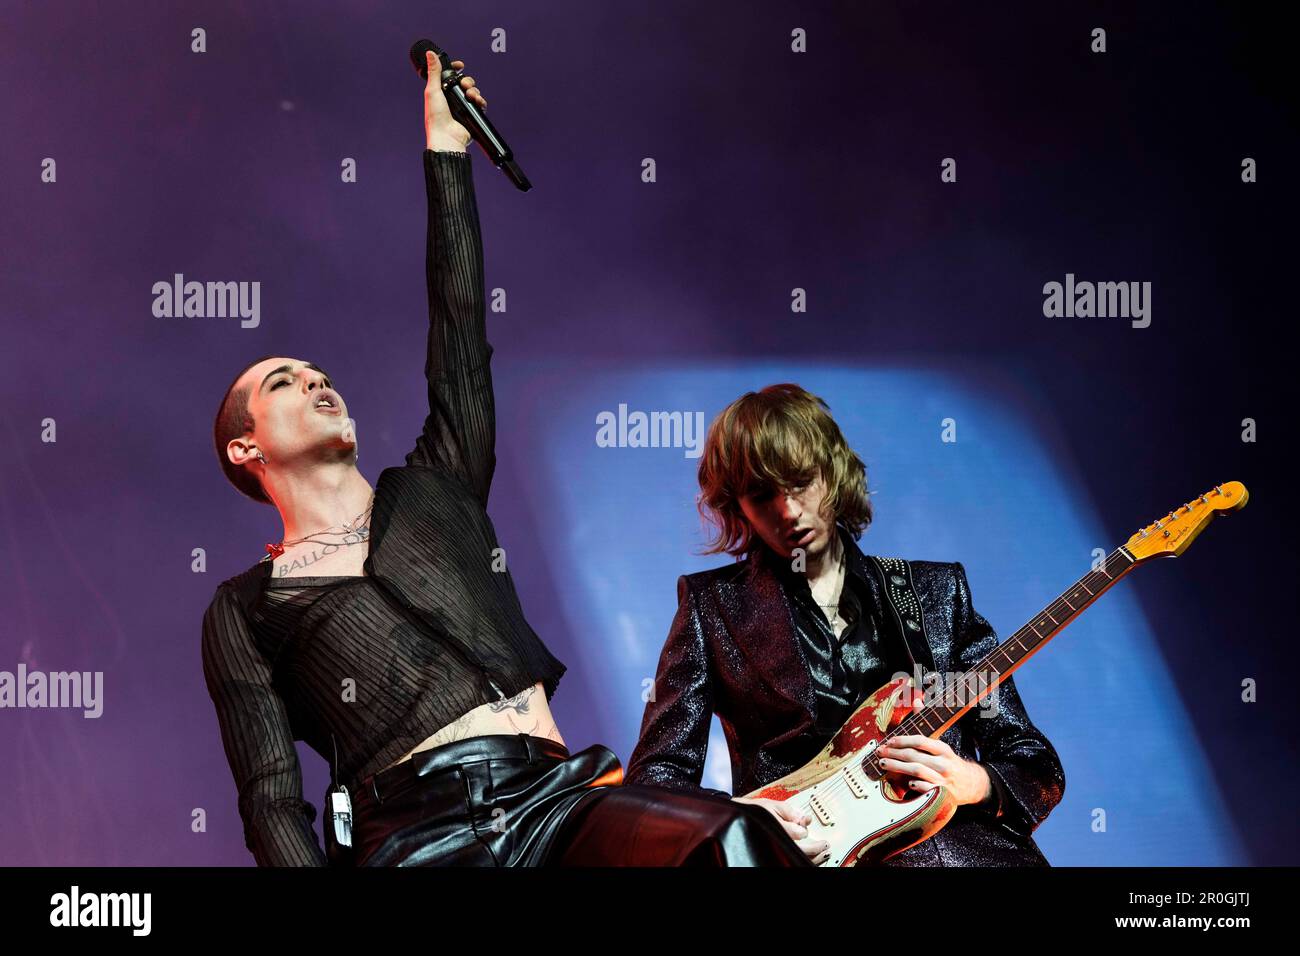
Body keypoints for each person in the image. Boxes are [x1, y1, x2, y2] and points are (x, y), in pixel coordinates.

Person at [200, 51, 808, 868]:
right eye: (283, 381)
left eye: (321, 373)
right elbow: (271, 801)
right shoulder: (244, 611)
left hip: (554, 798)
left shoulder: (435, 487)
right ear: (247, 447)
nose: (314, 379)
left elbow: (458, 333)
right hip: (417, 837)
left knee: (732, 838)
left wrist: (445, 154)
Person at [625, 383, 1066, 865]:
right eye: (760, 494)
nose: (788, 511)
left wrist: (974, 782)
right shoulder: (712, 606)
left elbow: (1033, 762)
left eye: (799, 481)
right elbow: (655, 782)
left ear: (833, 471)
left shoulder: (936, 592)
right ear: (737, 506)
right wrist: (744, 818)